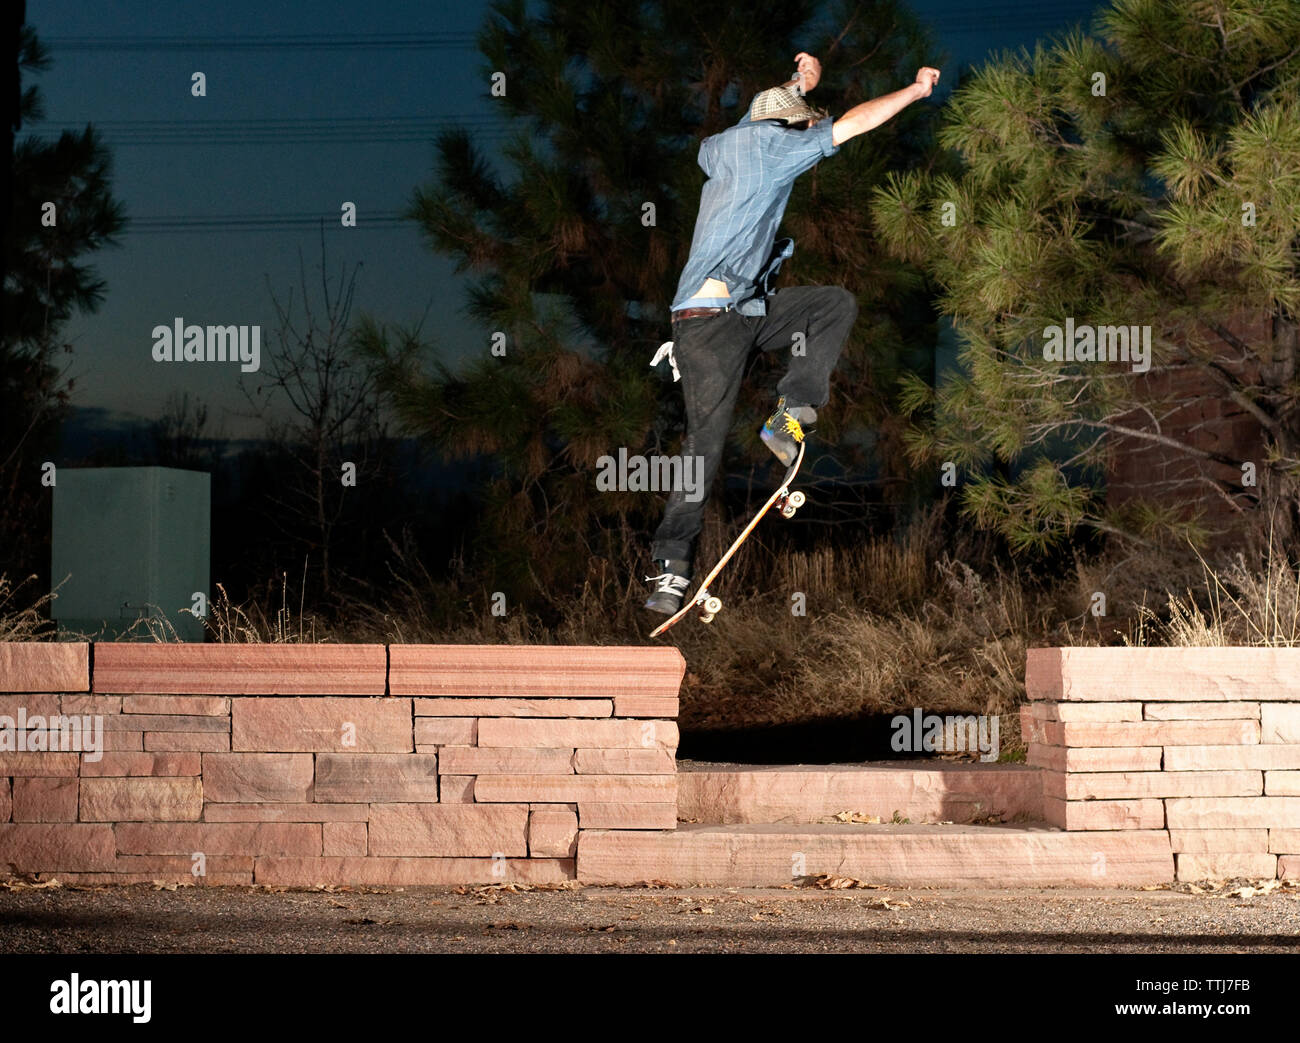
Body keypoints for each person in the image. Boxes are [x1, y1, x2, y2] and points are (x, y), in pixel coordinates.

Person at [644, 53, 941, 614]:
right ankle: (670, 565)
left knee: (831, 304)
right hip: (709, 328)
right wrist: (912, 92)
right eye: (806, 122)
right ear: (791, 126)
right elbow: (852, 123)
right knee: (703, 444)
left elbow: (771, 107)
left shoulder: (726, 143)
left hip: (739, 313)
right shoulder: (778, 148)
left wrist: (803, 81)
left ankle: (788, 414)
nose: (810, 132)